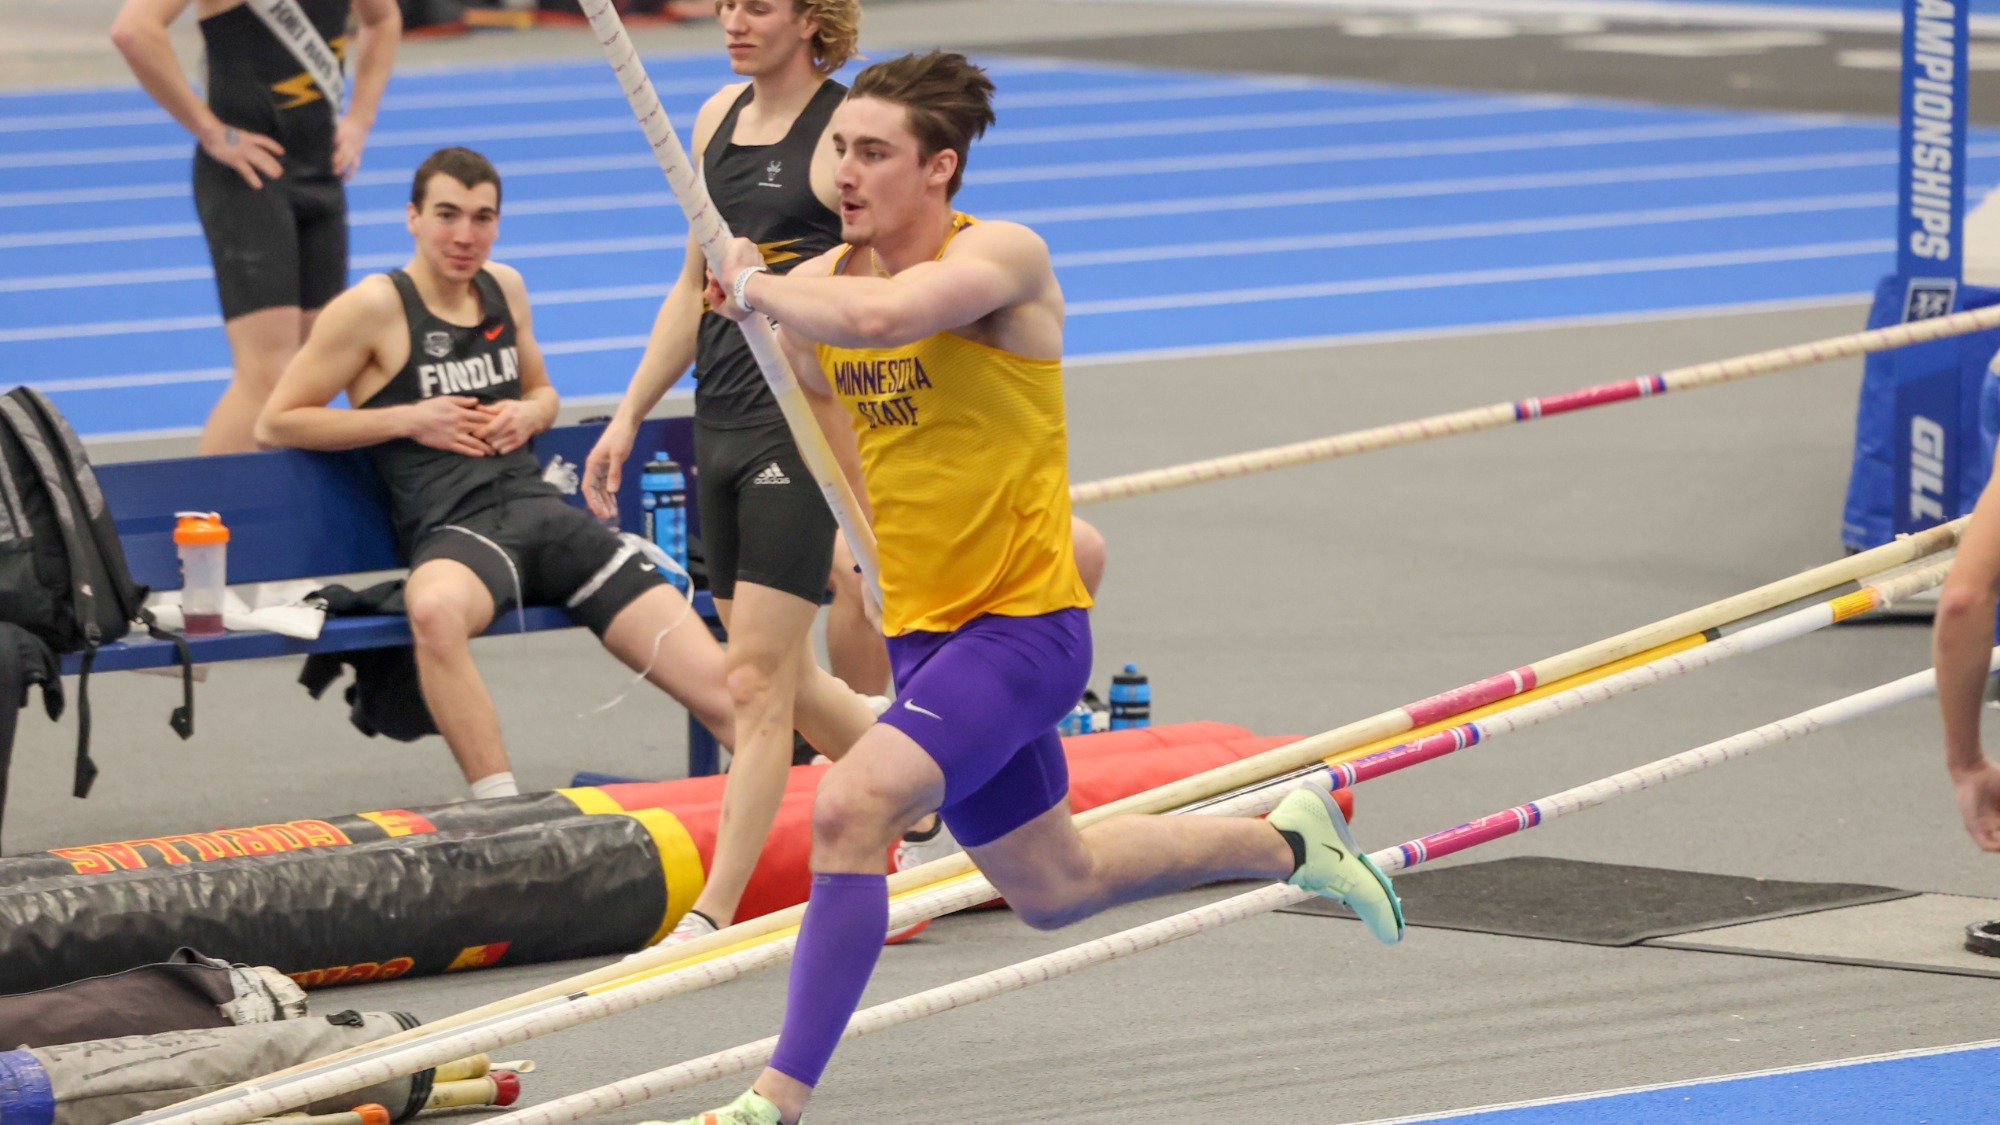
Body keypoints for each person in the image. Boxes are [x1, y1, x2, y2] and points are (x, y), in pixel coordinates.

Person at [658, 52, 1405, 1125]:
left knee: (852, 805)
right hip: (926, 632)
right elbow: (829, 403)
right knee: (1052, 887)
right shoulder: (825, 283)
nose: (844, 172)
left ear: (939, 170)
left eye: (873, 152)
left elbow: (880, 324)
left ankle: (774, 1099)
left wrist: (758, 282)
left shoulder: (1000, 260)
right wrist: (865, 546)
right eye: (837, 150)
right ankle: (1288, 840)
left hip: (1021, 633)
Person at [257, 147, 736, 800]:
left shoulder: (502, 287)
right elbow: (278, 420)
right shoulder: (373, 306)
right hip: (460, 532)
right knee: (432, 610)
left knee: (719, 684)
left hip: (544, 516)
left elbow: (544, 393)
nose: (464, 235)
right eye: (447, 215)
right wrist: (407, 419)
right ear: (412, 217)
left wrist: (526, 412)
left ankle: (790, 788)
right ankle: (499, 805)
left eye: (482, 218)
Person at [581, 0, 881, 944]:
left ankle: (716, 912)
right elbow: (689, 286)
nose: (732, 20)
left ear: (810, 18)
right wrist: (629, 413)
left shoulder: (848, 125)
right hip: (720, 419)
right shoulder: (711, 121)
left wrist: (794, 292)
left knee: (752, 682)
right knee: (790, 673)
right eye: (725, 4)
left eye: (756, 5)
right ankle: (936, 788)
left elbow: (880, 275)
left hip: (801, 420)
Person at [111, 0, 400, 455]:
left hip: (321, 176)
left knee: (311, 378)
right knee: (266, 376)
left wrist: (361, 117)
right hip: (247, 180)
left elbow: (383, 19)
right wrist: (210, 131)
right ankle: (203, 518)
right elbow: (133, 30)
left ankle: (277, 516)